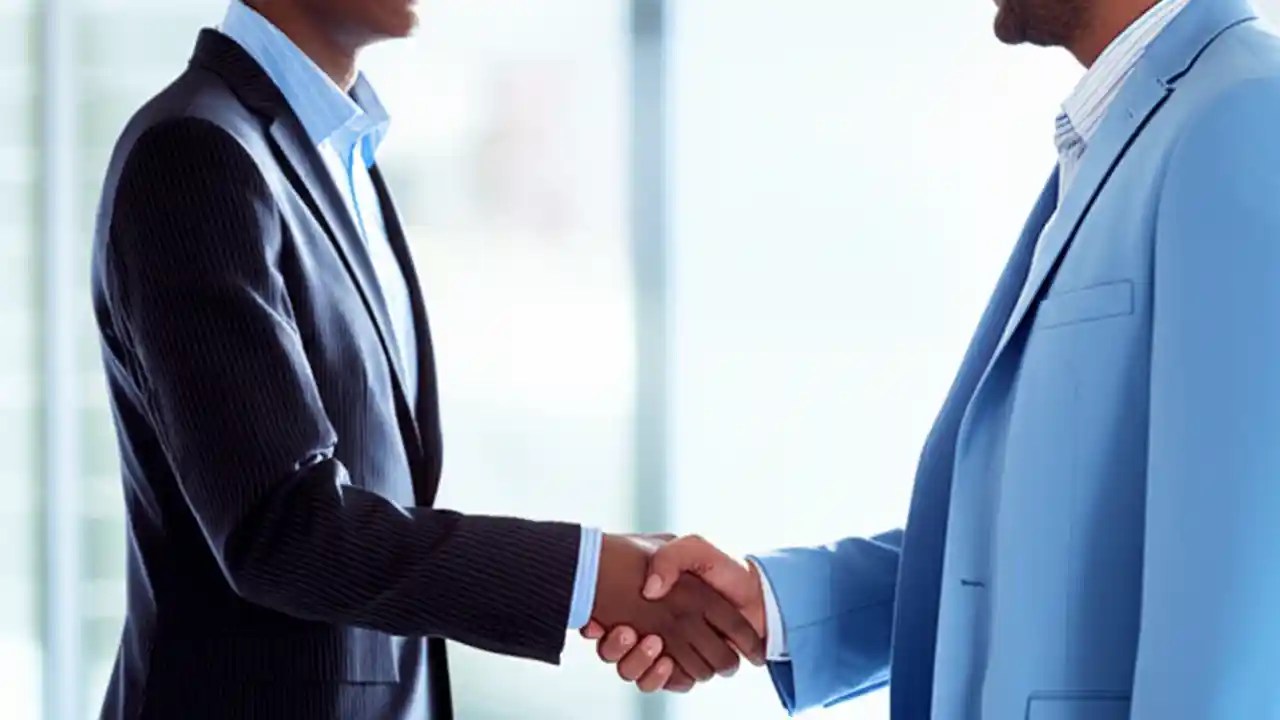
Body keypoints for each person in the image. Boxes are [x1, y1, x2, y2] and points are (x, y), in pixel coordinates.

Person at [589, 0, 1280, 717]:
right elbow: (1052, 548)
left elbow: (1237, 600)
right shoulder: (1129, 129)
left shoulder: (1243, 116)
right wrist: (777, 608)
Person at [90, 1, 761, 718]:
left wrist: (619, 569)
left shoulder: (340, 153)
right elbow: (282, 530)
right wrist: (591, 577)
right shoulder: (198, 152)